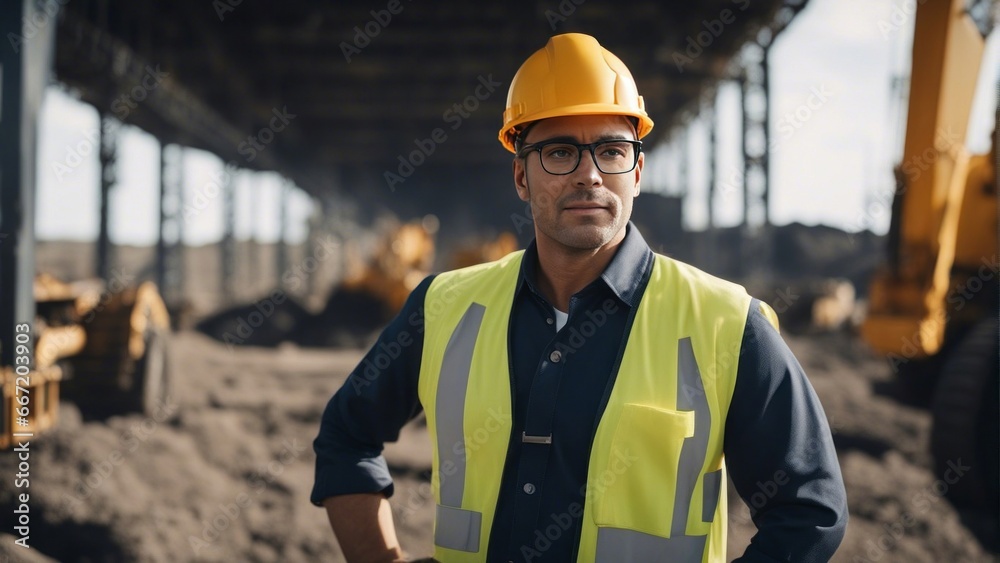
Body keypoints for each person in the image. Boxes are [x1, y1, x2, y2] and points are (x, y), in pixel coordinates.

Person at [312, 33, 848, 563]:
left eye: (612, 151)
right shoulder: (441, 307)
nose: (589, 174)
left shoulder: (727, 324)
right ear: (521, 175)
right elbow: (346, 435)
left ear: (637, 173)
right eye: (560, 152)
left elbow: (808, 511)